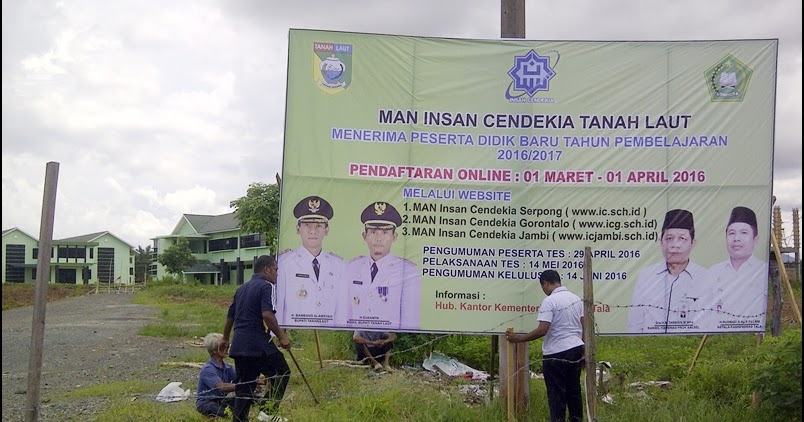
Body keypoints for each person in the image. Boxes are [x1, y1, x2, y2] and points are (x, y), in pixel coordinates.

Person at [506, 270, 584, 422]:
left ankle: (557, 419)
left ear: (546, 283)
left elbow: (543, 329)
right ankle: (577, 419)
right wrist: (585, 349)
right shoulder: (576, 299)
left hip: (556, 352)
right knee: (574, 391)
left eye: (543, 287)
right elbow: (584, 325)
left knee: (556, 393)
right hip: (575, 349)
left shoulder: (550, 301)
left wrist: (519, 339)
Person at [223, 255, 291, 422]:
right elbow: (267, 314)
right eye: (275, 270)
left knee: (244, 387)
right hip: (257, 345)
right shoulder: (266, 286)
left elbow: (230, 317)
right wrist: (282, 337)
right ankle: (266, 410)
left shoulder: (241, 289)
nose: (276, 274)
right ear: (266, 270)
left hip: (239, 345)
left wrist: (225, 339)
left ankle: (239, 419)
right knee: (282, 372)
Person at [342, 201, 421, 330]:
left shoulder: (407, 271)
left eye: (385, 233)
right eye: (373, 232)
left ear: (394, 236)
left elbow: (410, 322)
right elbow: (346, 314)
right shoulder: (352, 267)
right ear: (364, 236)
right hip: (355, 342)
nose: (378, 238)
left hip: (390, 343)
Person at [627, 209, 708, 334]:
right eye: (669, 238)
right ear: (661, 242)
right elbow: (635, 322)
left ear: (692, 243)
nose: (675, 245)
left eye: (682, 238)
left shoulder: (705, 278)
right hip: (650, 346)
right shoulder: (646, 275)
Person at [276, 196, 345, 327]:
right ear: (298, 229)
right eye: (307, 225)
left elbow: (341, 309)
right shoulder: (284, 263)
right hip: (296, 331)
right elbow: (279, 306)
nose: (313, 231)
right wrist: (277, 334)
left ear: (327, 230)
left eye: (318, 225)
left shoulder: (338, 265)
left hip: (327, 333)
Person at [705, 206, 769, 331]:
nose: (736, 239)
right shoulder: (713, 272)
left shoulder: (763, 270)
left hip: (752, 331)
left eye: (744, 233)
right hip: (716, 334)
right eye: (731, 233)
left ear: (755, 239)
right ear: (726, 238)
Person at [195, 332, 239, 417]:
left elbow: (241, 378)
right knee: (216, 409)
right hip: (206, 402)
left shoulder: (227, 367)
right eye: (223, 346)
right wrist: (243, 387)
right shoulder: (208, 369)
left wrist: (258, 382)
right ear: (214, 350)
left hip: (221, 400)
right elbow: (222, 387)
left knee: (242, 400)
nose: (227, 348)